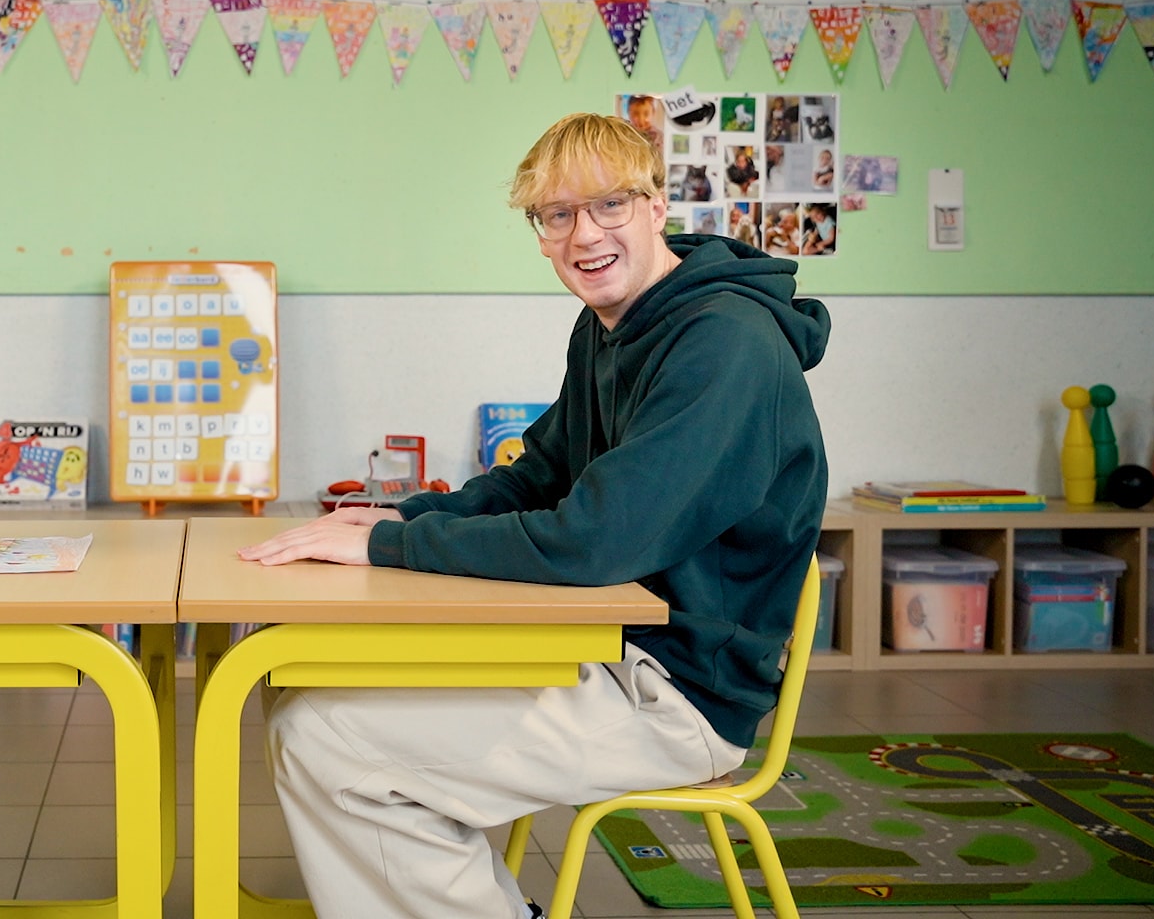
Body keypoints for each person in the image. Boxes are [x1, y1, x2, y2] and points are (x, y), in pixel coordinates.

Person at [237, 113, 828, 919]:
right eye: (556, 216)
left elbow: (593, 540)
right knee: (305, 681)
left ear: (657, 206)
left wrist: (391, 545)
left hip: (676, 691)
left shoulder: (724, 345)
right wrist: (394, 518)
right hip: (605, 642)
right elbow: (539, 477)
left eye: (608, 205)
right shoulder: (610, 326)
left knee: (327, 739)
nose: (584, 234)